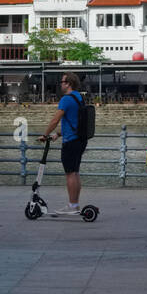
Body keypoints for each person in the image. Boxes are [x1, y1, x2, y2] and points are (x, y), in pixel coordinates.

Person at [40, 73, 87, 214]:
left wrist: (45, 135)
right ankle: (75, 204)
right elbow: (75, 121)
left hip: (71, 142)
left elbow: (55, 120)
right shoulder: (79, 97)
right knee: (75, 172)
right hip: (80, 139)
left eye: (62, 81)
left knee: (70, 174)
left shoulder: (66, 99)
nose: (60, 84)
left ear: (69, 83)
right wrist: (58, 134)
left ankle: (72, 206)